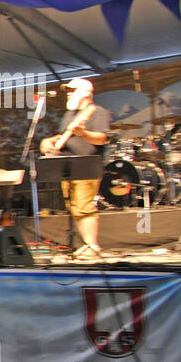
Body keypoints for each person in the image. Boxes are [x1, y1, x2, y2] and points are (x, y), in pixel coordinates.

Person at [39, 78, 112, 260]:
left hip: (87, 165)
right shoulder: (70, 114)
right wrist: (48, 141)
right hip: (68, 165)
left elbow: (102, 138)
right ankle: (87, 244)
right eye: (68, 90)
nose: (69, 93)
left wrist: (84, 133)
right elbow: (64, 135)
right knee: (74, 206)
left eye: (73, 90)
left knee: (84, 206)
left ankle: (93, 245)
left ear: (86, 93)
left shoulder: (98, 112)